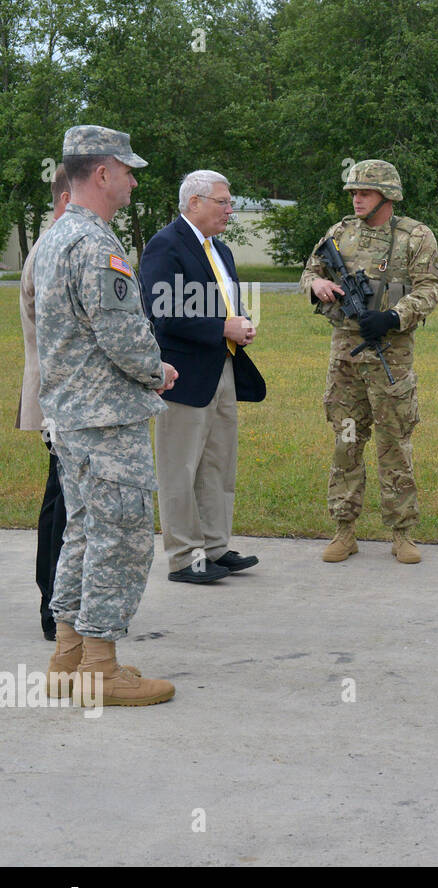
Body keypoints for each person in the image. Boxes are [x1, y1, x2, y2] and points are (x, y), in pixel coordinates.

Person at [32, 125, 179, 706]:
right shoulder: (96, 245)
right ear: (100, 173)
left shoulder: (53, 238)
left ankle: (68, 657)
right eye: (127, 170)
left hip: (69, 415)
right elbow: (120, 334)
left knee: (82, 531)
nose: (132, 180)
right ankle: (101, 667)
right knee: (121, 537)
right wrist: (156, 369)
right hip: (105, 418)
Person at [300, 159, 438, 564]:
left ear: (387, 195)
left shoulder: (415, 237)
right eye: (353, 193)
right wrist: (319, 285)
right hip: (344, 356)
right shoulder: (338, 234)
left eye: (364, 192)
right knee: (346, 441)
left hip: (390, 357)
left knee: (393, 443)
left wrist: (394, 316)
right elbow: (309, 272)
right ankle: (344, 530)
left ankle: (402, 534)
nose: (356, 199)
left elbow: (431, 288)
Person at [141, 169, 266, 584]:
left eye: (230, 203)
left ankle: (215, 548)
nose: (230, 210)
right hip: (183, 376)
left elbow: (223, 299)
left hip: (223, 368)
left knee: (217, 464)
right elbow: (163, 313)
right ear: (194, 203)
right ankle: (184, 558)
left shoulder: (220, 248)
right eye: (223, 202)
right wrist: (221, 328)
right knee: (180, 467)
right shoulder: (165, 246)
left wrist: (240, 321)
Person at [18, 163, 71, 640]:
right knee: (61, 503)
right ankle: (54, 606)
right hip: (59, 398)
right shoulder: (53, 249)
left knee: (63, 500)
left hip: (61, 395)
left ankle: (60, 602)